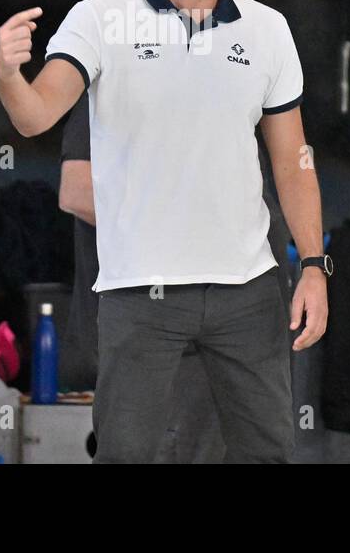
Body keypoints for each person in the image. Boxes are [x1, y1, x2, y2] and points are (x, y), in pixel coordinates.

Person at [0, 0, 329, 463]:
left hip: (249, 292)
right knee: (126, 458)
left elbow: (293, 162)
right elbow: (35, 116)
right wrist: (7, 75)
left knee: (268, 455)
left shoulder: (268, 30)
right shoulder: (100, 21)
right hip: (138, 292)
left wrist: (312, 266)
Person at [57, 93, 295, 461]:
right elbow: (78, 191)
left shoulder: (235, 83)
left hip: (238, 330)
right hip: (162, 335)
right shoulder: (121, 79)